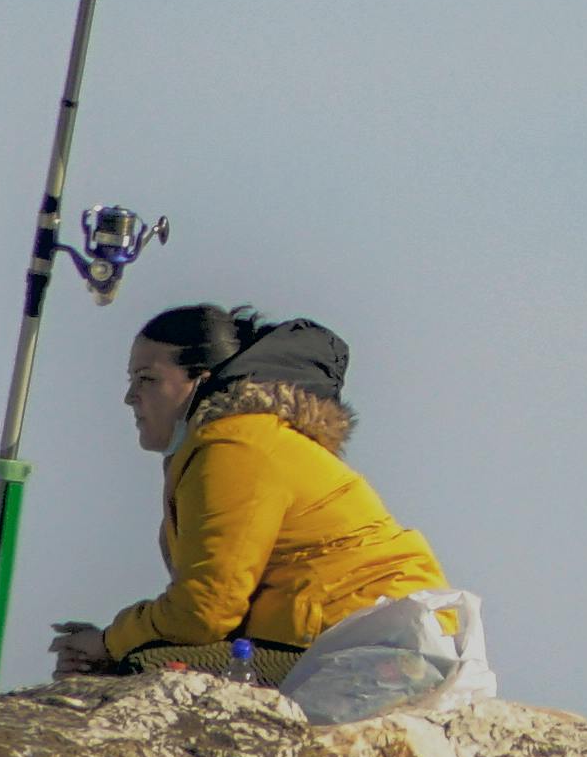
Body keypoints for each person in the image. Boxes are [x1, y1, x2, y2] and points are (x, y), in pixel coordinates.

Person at [50, 302, 495, 723]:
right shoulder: (235, 442)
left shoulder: (235, 446)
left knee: (143, 674)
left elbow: (205, 610)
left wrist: (109, 643)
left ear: (199, 382)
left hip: (380, 649)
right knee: (135, 668)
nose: (130, 396)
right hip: (375, 641)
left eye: (147, 378)